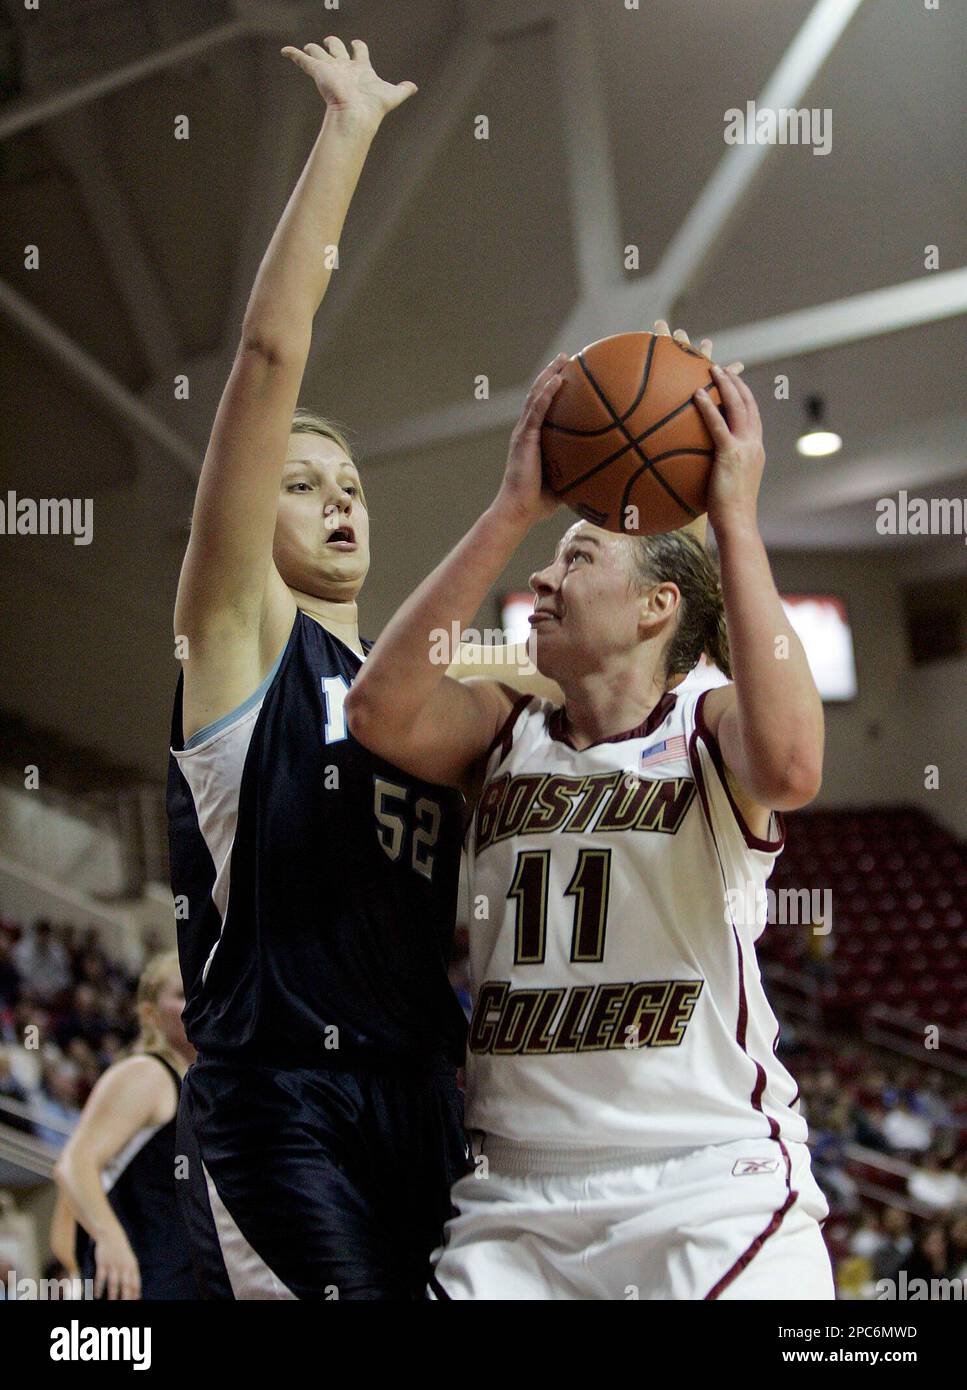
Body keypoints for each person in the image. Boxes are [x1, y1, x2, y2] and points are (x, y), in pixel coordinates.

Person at [165, 35, 554, 1301]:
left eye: (352, 486)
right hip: (284, 1102)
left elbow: (572, 659)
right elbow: (271, 360)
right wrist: (348, 130)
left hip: (424, 1092)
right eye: (302, 483)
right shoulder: (237, 633)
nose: (339, 503)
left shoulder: (419, 675)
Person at [346, 333, 834, 1299]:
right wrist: (512, 507)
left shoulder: (708, 724)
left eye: (574, 556)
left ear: (658, 605)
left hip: (708, 1184)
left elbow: (791, 764)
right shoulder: (504, 728)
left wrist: (731, 515)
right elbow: (377, 708)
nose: (537, 579)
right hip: (516, 1196)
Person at [53, 951, 197, 1300]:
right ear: (149, 1014)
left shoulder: (200, 1089)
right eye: (181, 994)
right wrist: (108, 1238)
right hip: (140, 1281)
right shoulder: (147, 1073)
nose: (196, 1002)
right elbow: (74, 1165)